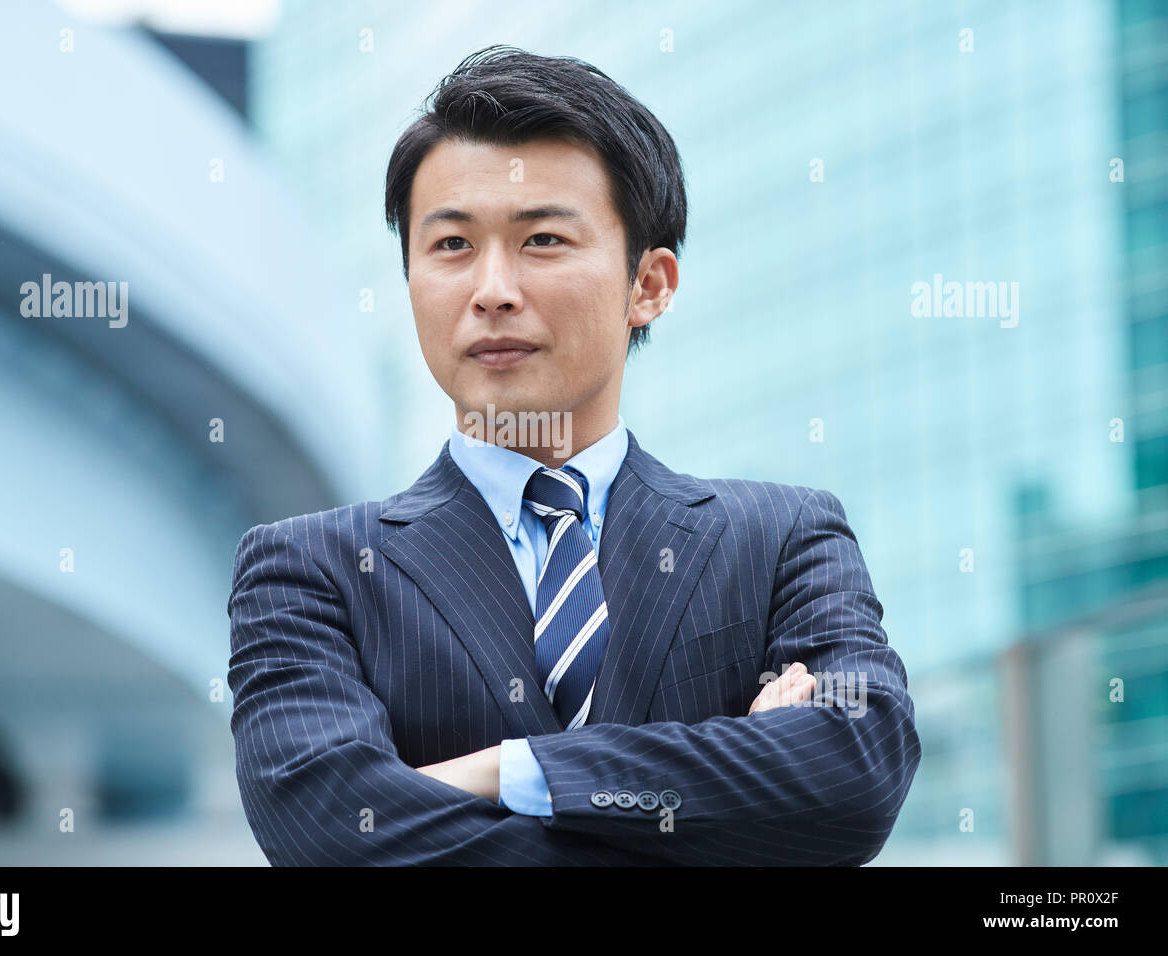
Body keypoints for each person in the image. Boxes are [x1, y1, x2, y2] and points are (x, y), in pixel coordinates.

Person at [227, 44, 921, 866]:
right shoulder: (311, 571)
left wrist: (505, 772)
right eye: (450, 246)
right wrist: (729, 796)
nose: (490, 290)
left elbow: (856, 768)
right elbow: (333, 828)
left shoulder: (781, 539)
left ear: (650, 284)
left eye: (543, 240)